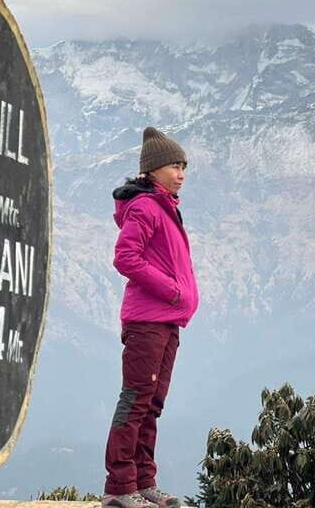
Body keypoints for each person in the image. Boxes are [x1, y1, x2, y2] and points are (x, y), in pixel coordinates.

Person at [102, 127, 200, 508]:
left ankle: (144, 482)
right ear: (153, 169)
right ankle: (119, 487)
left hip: (167, 321)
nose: (181, 173)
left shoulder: (166, 207)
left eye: (184, 166)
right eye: (175, 165)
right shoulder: (145, 207)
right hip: (147, 320)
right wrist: (172, 290)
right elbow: (125, 258)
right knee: (136, 400)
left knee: (152, 404)